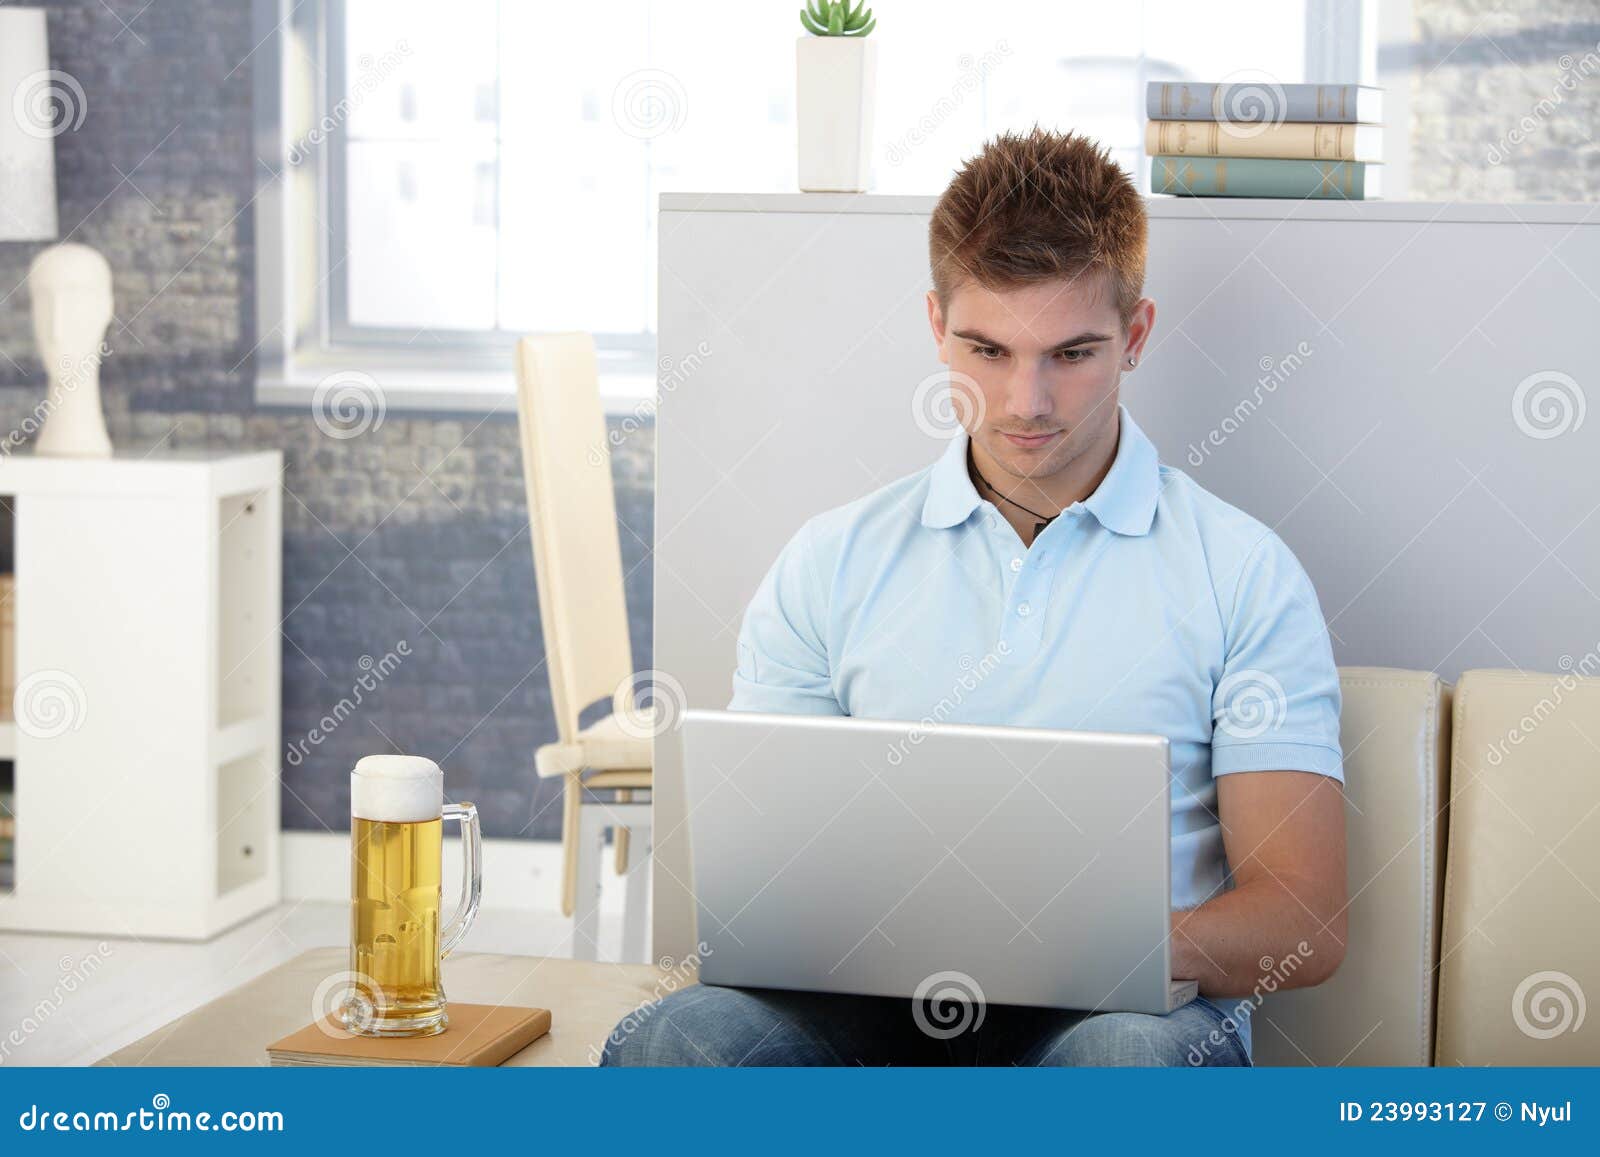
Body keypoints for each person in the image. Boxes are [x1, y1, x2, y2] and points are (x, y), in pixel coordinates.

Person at [603, 127, 1347, 1067]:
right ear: (934, 324)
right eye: (987, 350)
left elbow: (1306, 920)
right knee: (683, 1038)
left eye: (1071, 353)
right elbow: (769, 886)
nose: (1024, 402)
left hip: (1124, 1017)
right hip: (864, 1012)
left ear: (1138, 336)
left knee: (1131, 1067)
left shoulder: (1242, 572)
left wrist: (1100, 950)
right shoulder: (831, 561)